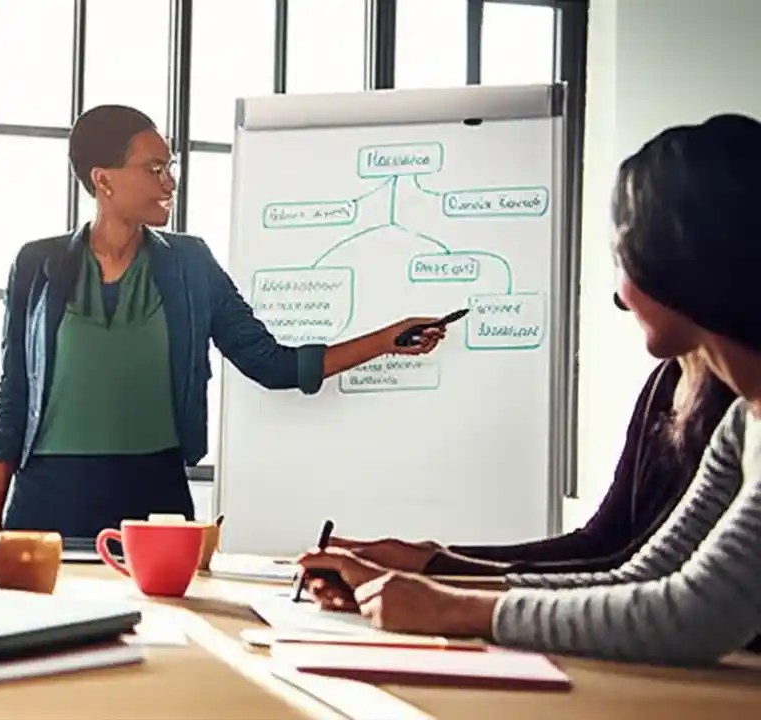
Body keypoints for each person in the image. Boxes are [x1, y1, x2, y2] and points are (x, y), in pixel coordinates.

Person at [299, 113, 761, 665]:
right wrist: (431, 585)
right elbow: (640, 576)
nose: (620, 294)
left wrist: (453, 608)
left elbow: (696, 614)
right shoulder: (742, 424)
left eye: (624, 258)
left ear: (679, 261)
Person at [0, 104, 450, 543]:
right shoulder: (37, 264)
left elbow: (273, 364)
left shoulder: (190, 264)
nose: (169, 182)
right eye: (154, 169)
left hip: (153, 498)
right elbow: (13, 395)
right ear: (103, 180)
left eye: (170, 167)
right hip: (47, 500)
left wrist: (387, 340)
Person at [318, 352, 736, 580]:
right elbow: (603, 542)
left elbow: (642, 580)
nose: (621, 296)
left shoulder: (739, 407)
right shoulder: (668, 377)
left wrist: (438, 575)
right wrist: (433, 558)